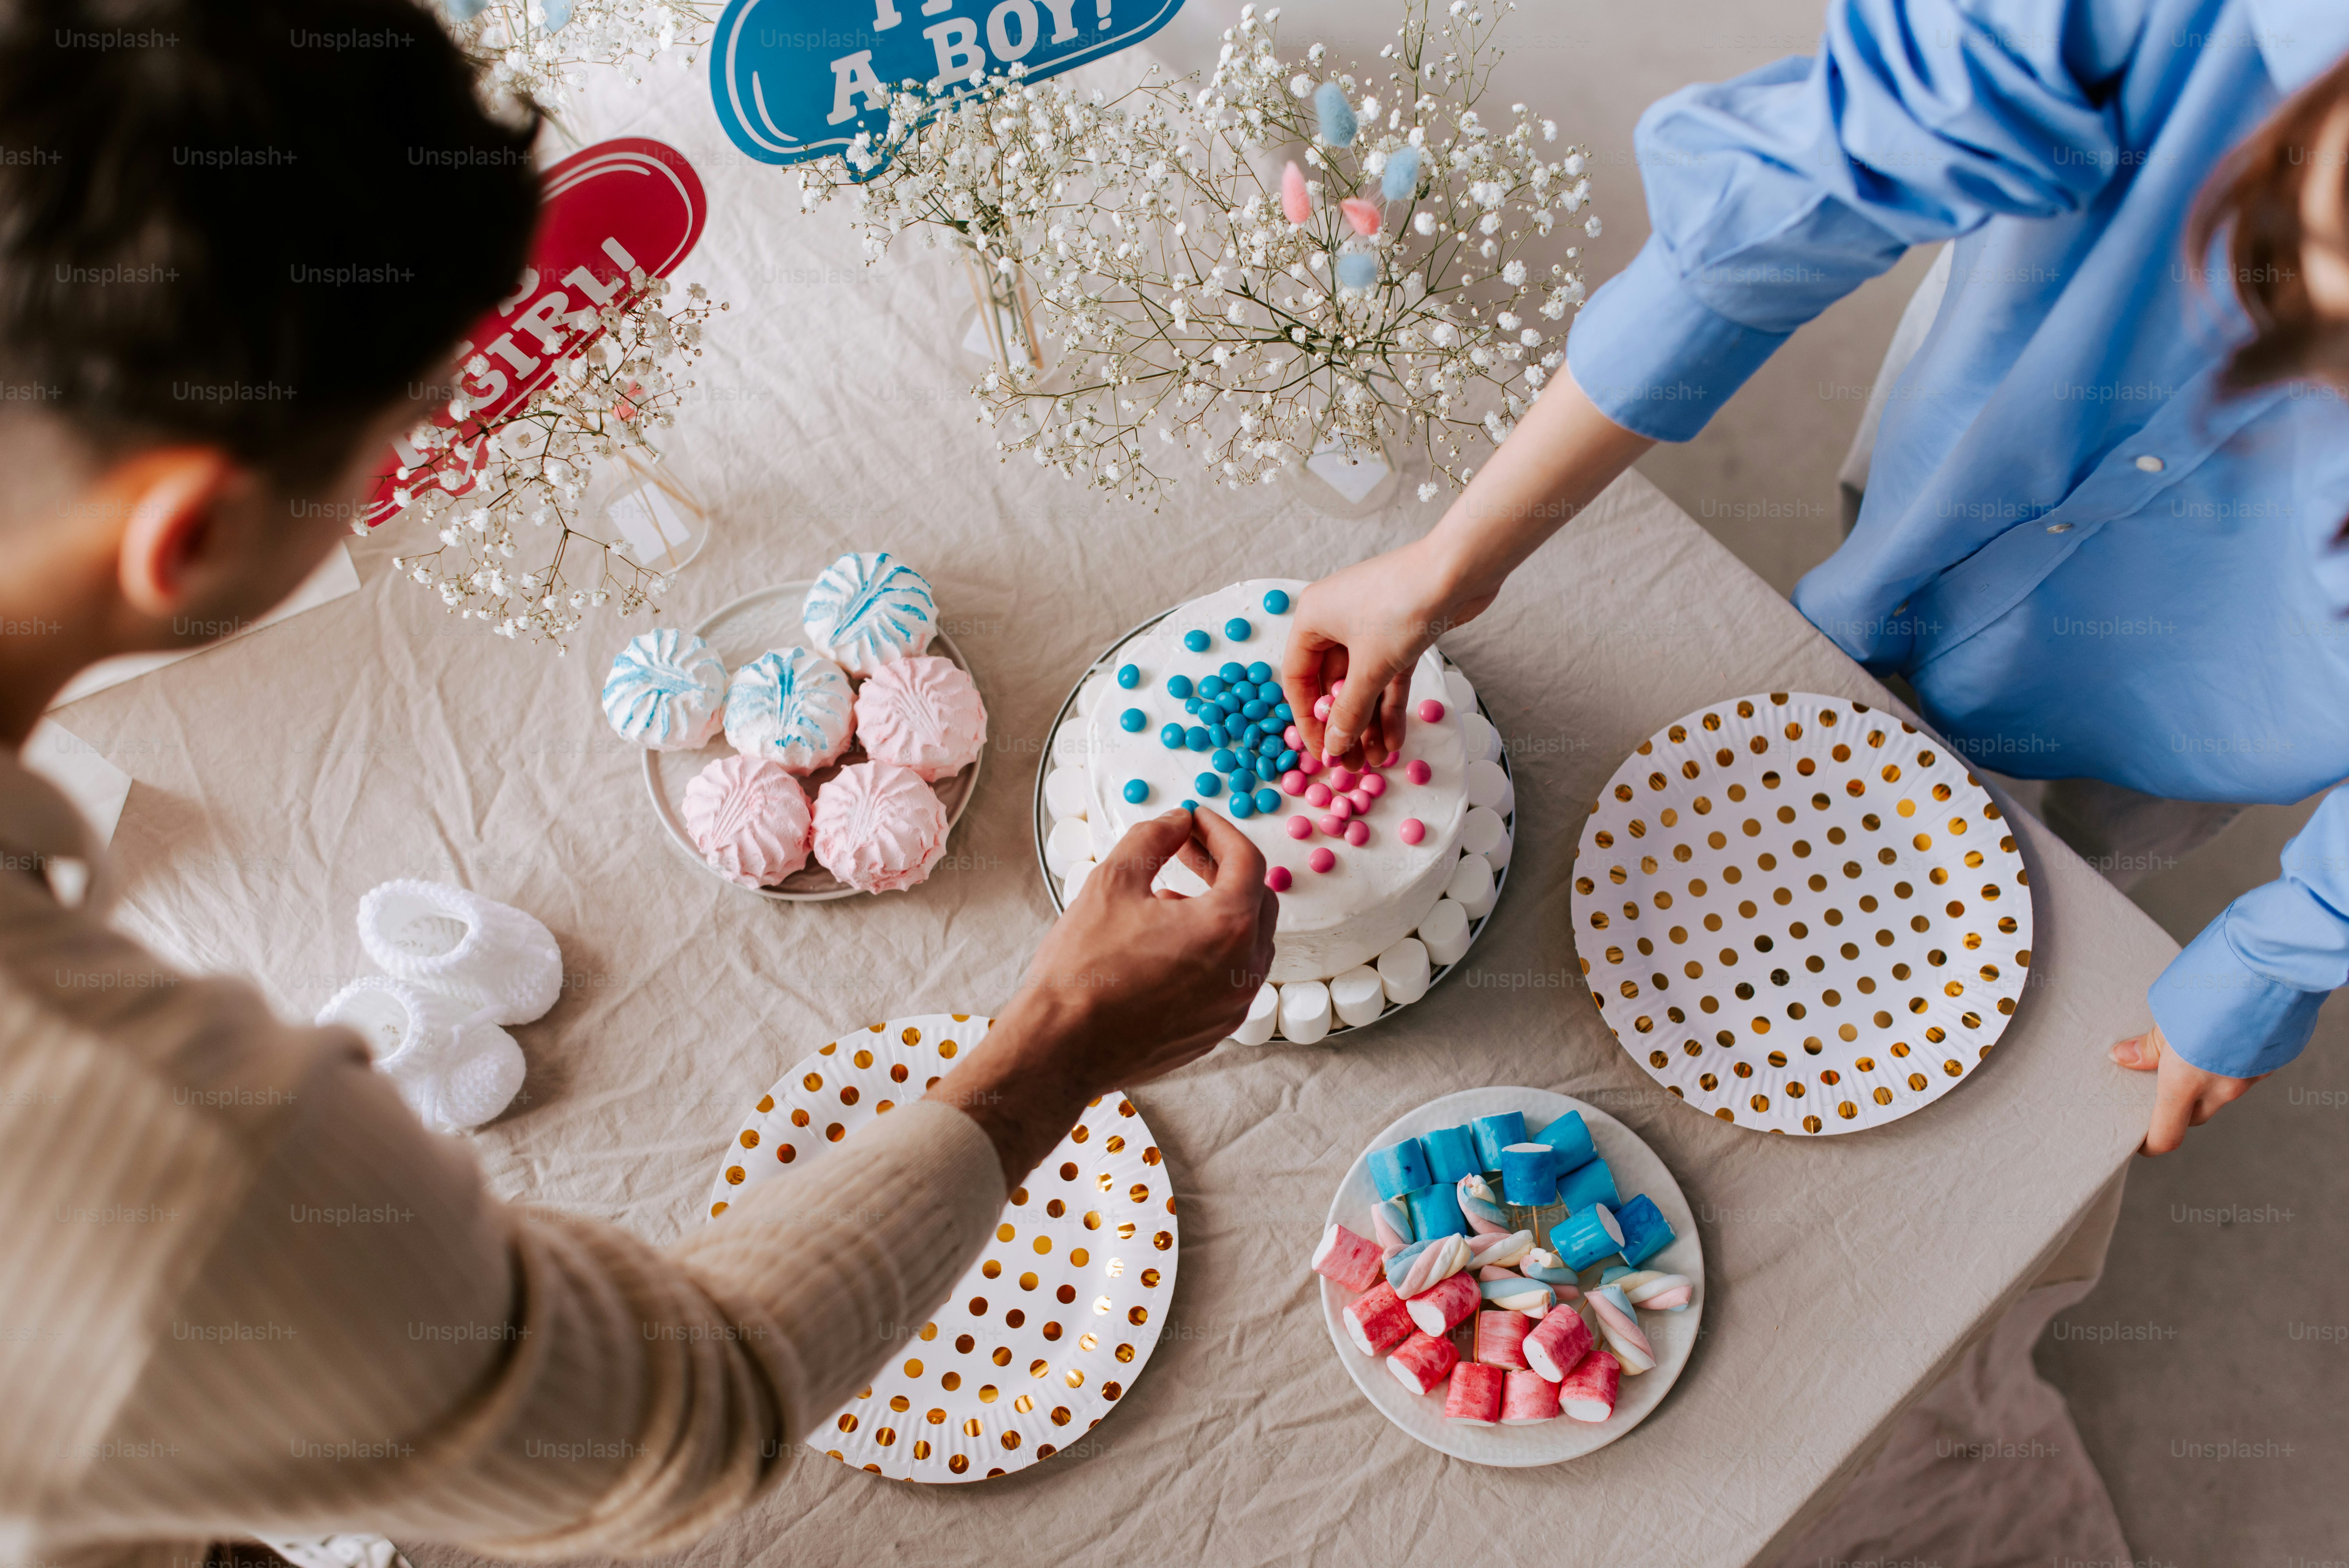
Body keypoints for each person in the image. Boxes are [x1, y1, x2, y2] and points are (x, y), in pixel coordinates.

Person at [0, 0, 1271, 1561]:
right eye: (388, 457)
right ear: (192, 534)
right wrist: (1063, 1040)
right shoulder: (153, 1164)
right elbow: (672, 1411)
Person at [1281, 0, 2349, 1158]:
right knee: (1853, 650)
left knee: (2093, 857)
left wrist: (2277, 956)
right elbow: (1808, 188)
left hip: (2234, 701)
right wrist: (1451, 564)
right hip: (1957, 477)